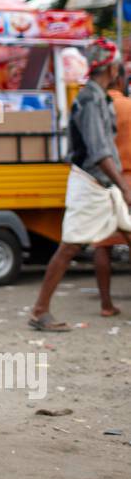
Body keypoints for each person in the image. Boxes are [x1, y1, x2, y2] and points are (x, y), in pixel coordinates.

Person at [29, 38, 131, 331]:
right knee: (70, 247)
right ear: (112, 68)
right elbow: (99, 151)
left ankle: (48, 308)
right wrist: (124, 188)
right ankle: (39, 310)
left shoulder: (98, 96)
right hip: (91, 184)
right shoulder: (89, 99)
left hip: (103, 184)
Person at [92, 61, 131, 316]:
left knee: (102, 244)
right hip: (127, 179)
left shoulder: (95, 107)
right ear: (120, 80)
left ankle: (106, 305)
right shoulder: (128, 106)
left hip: (101, 181)